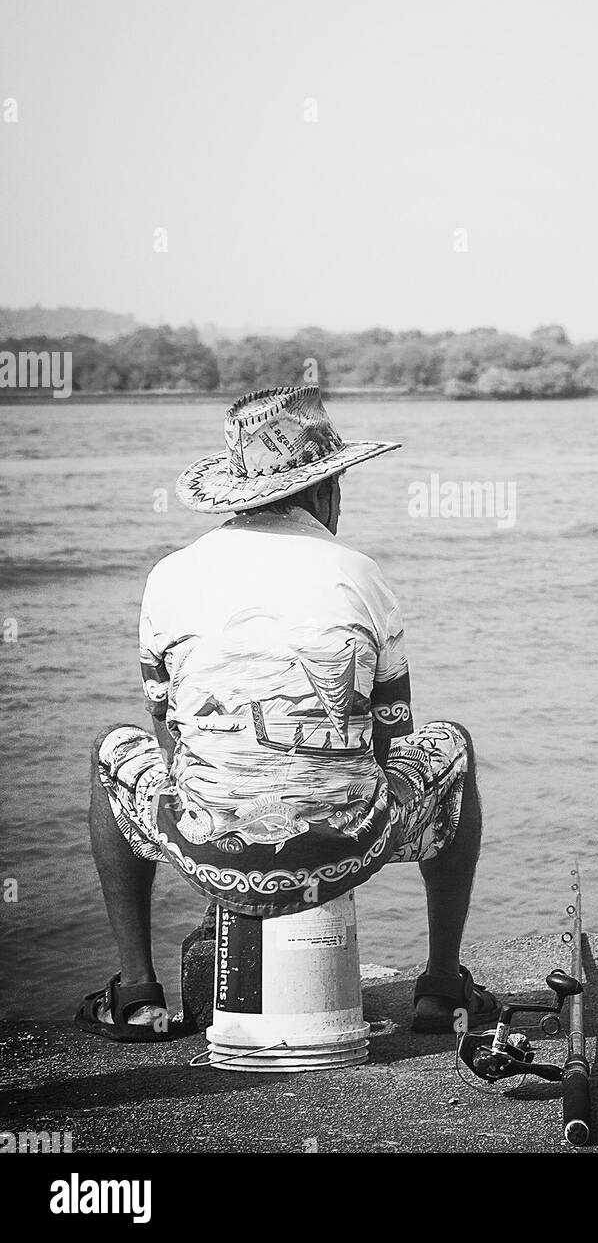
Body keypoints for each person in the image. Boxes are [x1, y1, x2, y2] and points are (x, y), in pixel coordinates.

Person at [75, 385, 497, 1041]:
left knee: (113, 750)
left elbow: (167, 738)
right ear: (326, 488)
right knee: (453, 748)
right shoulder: (359, 574)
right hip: (349, 843)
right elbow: (390, 740)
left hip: (208, 849)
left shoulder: (171, 575)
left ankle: (137, 997)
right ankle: (442, 990)